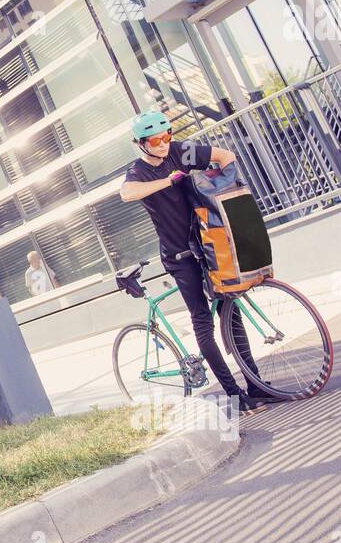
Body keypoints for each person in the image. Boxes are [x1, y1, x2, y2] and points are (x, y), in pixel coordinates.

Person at [119, 110, 277, 413]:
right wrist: (167, 181)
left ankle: (257, 387)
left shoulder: (181, 150)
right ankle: (235, 396)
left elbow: (225, 155)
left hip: (208, 245)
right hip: (180, 256)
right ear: (140, 143)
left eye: (167, 135)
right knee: (202, 322)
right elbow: (127, 193)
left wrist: (218, 185)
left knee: (231, 312)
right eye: (156, 139)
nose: (164, 143)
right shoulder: (137, 171)